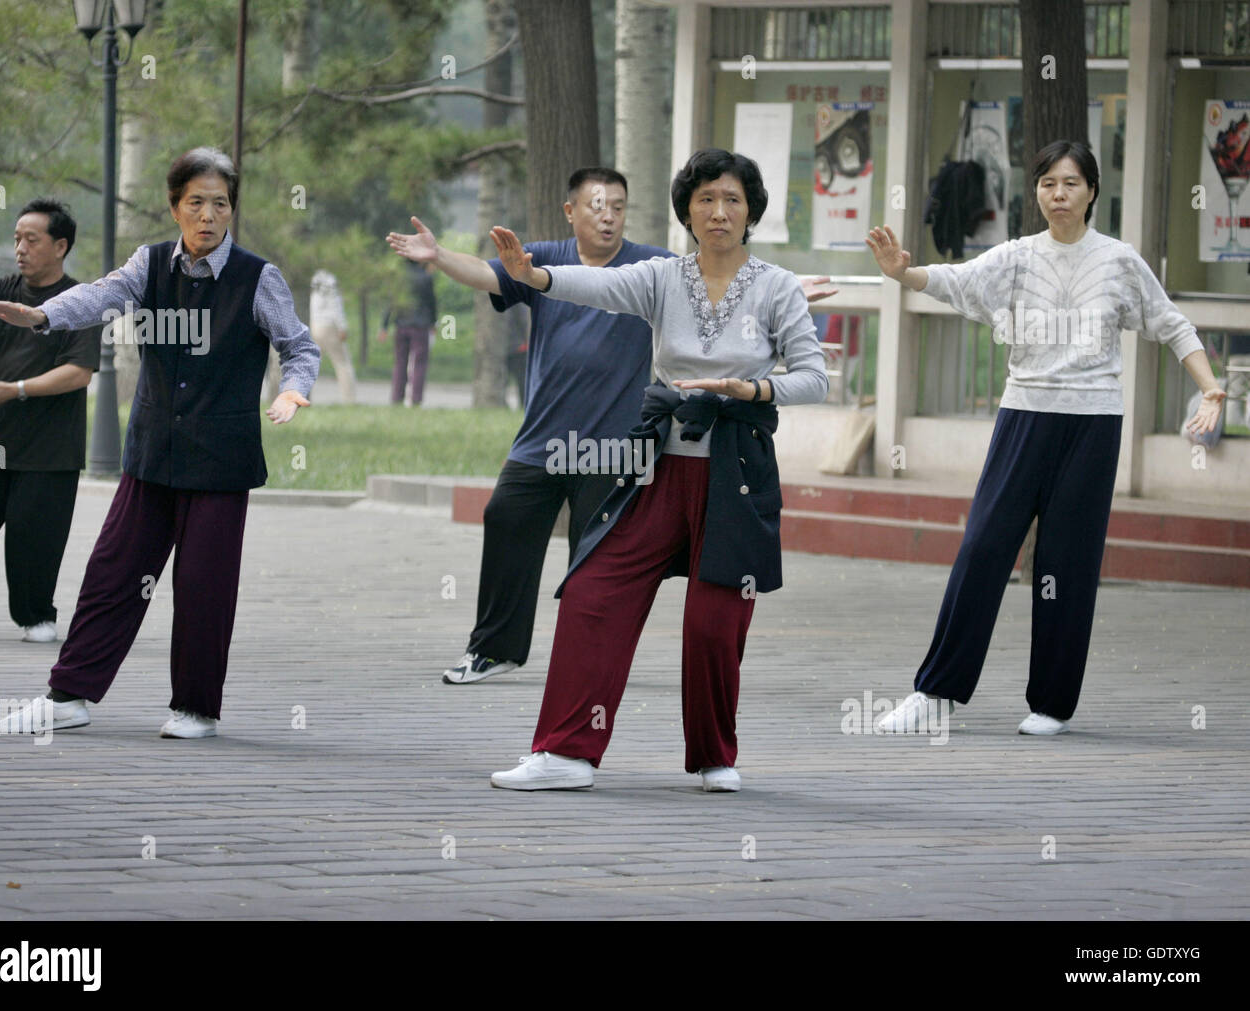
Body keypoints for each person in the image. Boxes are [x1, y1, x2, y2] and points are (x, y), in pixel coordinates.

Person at [486, 148, 830, 792]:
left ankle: (714, 757)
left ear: (750, 209)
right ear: (687, 213)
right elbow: (600, 287)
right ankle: (565, 753)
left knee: (712, 621)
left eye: (730, 199)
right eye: (704, 200)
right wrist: (535, 278)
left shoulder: (778, 287)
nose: (718, 212)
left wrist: (748, 392)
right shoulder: (662, 277)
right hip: (655, 467)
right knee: (593, 592)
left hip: (735, 472)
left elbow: (814, 379)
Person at [866, 139, 1226, 737]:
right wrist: (904, 272)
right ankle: (936, 693)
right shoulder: (1015, 257)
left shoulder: (1119, 261)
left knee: (1068, 562)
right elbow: (956, 282)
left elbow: (1171, 323)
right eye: (1047, 184)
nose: (1058, 194)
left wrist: (1212, 389)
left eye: (1071, 184)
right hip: (1023, 417)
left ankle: (1052, 703)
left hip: (1093, 425)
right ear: (1036, 192)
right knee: (982, 548)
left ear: (1091, 193)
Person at [0, 146, 320, 739]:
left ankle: (195, 708)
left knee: (203, 585)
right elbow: (97, 296)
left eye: (221, 204)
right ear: (175, 209)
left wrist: (294, 391)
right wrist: (39, 317)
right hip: (152, 451)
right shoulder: (150, 265)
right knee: (113, 571)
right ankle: (69, 696)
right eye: (197, 203)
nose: (210, 215)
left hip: (221, 459)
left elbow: (298, 346)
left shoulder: (256, 277)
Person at [387, 168, 675, 684]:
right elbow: (487, 273)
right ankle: (495, 649)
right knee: (505, 519)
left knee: (598, 559)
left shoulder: (652, 266)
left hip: (613, 448)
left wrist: (783, 292)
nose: (608, 216)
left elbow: (713, 282)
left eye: (617, 207)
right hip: (543, 440)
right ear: (571, 211)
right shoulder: (544, 258)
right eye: (596, 205)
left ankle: (593, 658)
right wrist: (439, 256)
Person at [0, 199, 102, 643]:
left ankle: (37, 617)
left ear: (60, 246)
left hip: (49, 454)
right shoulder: (2, 288)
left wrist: (15, 390)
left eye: (31, 240)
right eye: (17, 238)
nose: (20, 248)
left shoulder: (81, 302)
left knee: (34, 548)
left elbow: (78, 373)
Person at [381, 259, 437, 406]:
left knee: (400, 362)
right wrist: (433, 322)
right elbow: (432, 302)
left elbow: (391, 303)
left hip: (401, 324)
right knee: (419, 363)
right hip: (421, 326)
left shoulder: (398, 278)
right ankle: (416, 399)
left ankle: (396, 398)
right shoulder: (426, 277)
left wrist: (384, 326)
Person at [310, 268, 357, 403]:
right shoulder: (329, 280)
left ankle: (302, 395)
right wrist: (342, 327)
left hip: (314, 324)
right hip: (329, 325)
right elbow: (335, 306)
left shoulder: (313, 279)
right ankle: (349, 399)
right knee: (342, 364)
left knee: (310, 363)